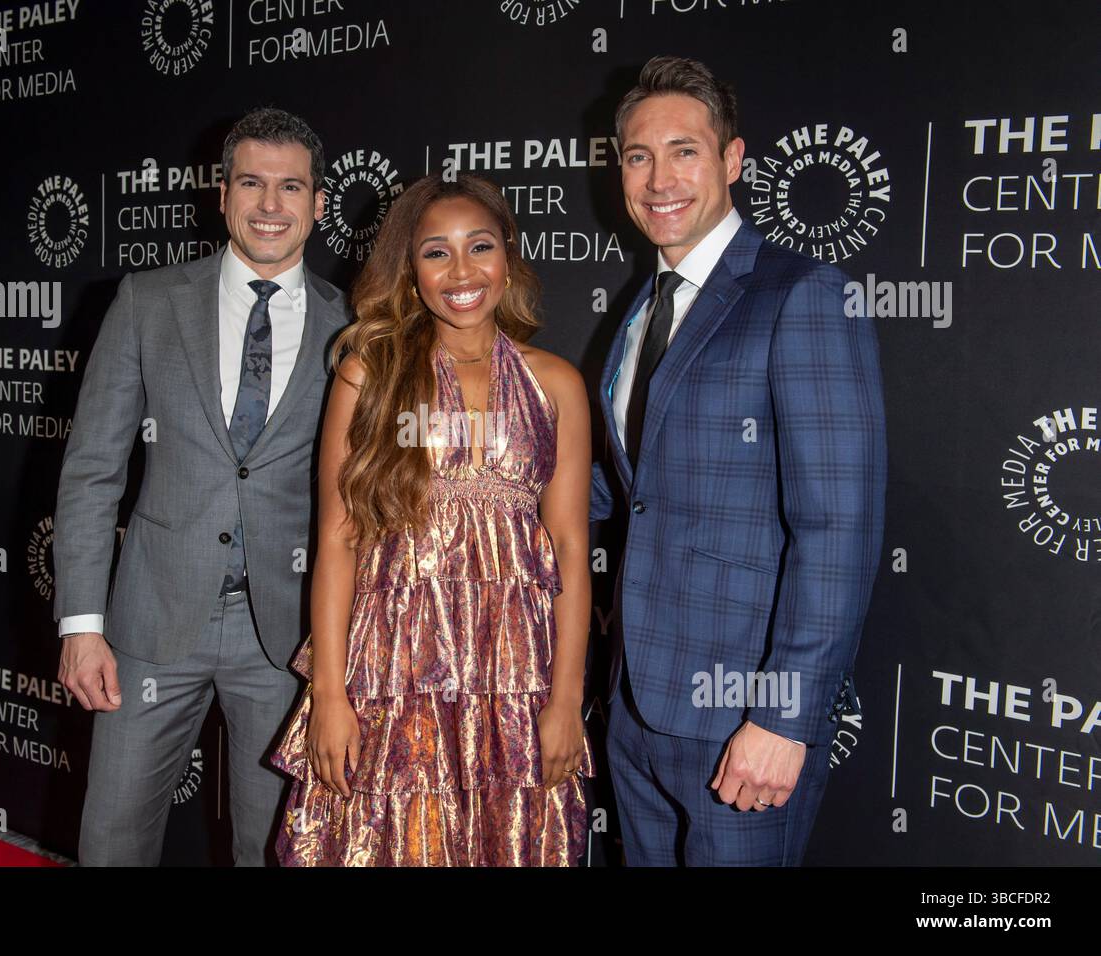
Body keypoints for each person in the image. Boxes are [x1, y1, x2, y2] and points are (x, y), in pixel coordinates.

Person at [592, 55, 886, 866]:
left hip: (744, 720)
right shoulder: (642, 307)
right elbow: (621, 489)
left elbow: (838, 529)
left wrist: (784, 719)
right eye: (639, 157)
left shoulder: (802, 295)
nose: (659, 179)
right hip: (634, 708)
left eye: (684, 151)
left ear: (732, 160)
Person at [270, 173, 595, 866]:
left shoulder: (556, 383)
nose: (461, 272)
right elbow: (337, 535)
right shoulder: (371, 373)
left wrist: (566, 699)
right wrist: (329, 693)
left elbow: (569, 545)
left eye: (479, 246)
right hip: (392, 671)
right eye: (435, 253)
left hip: (514, 676)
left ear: (508, 254)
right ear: (410, 272)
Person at [53, 107, 350, 865]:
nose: (270, 206)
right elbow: (92, 469)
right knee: (112, 841)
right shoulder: (148, 303)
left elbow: (362, 500)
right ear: (221, 195)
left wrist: (344, 646)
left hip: (288, 643)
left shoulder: (352, 326)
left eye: (291, 187)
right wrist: (81, 624)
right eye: (251, 183)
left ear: (319, 205)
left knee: (276, 848)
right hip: (147, 629)